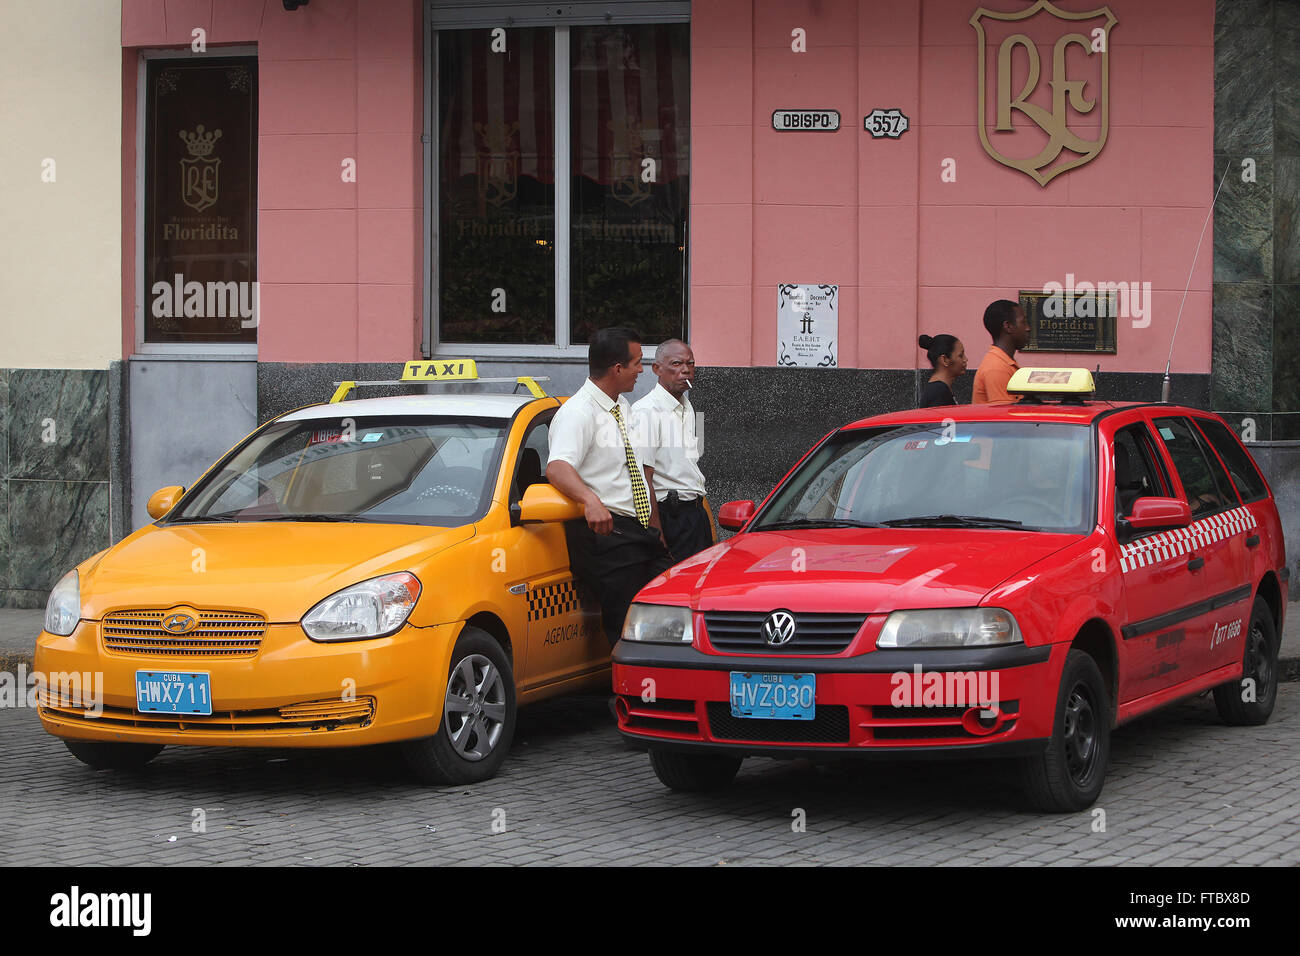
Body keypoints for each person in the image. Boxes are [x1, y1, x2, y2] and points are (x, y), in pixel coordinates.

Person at [546, 327, 673, 646]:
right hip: (608, 537)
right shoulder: (577, 413)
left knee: (668, 613)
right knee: (629, 627)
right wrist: (590, 501)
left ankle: (659, 689)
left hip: (639, 532)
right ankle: (629, 694)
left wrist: (655, 528)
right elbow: (558, 466)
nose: (641, 371)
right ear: (617, 368)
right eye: (638, 363)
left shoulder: (621, 407)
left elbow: (634, 472)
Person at [631, 338, 714, 561]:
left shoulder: (688, 407)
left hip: (694, 515)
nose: (685, 370)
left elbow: (691, 466)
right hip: (670, 517)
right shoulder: (645, 411)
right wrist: (657, 535)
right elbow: (642, 477)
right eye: (676, 364)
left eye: (691, 364)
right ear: (657, 369)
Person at [972, 299, 1031, 405]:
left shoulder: (1004, 363)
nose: (1028, 328)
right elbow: (1005, 418)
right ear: (1008, 326)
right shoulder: (997, 368)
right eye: (1023, 322)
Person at [917, 333, 967, 408]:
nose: (965, 359)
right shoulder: (938, 391)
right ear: (944, 360)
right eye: (960, 355)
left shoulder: (940, 389)